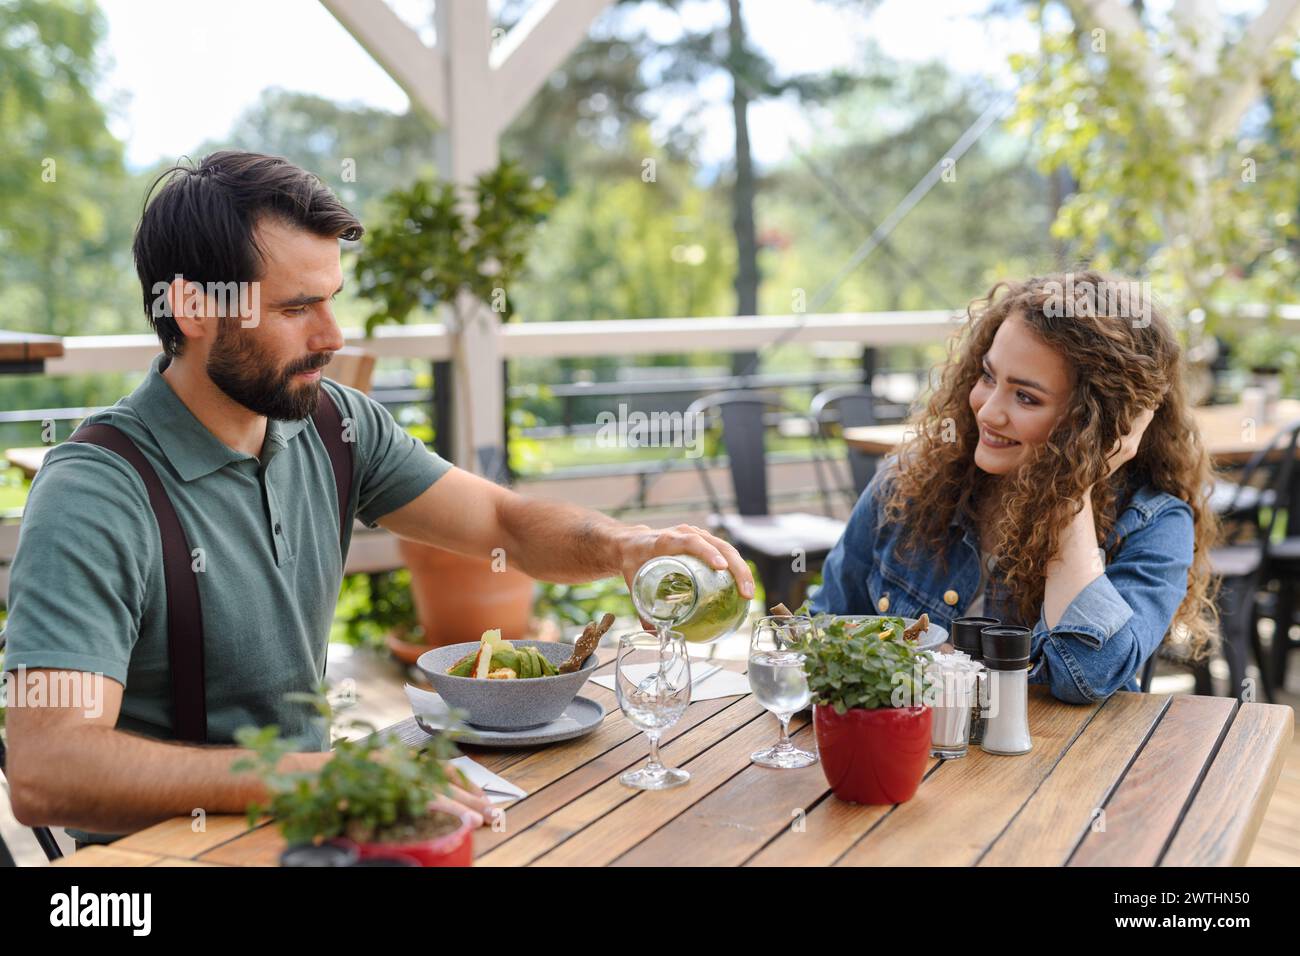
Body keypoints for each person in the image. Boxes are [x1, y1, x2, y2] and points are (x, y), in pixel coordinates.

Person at [2, 151, 754, 845]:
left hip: (324, 828)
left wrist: (625, 546)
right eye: (297, 308)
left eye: (332, 299)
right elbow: (46, 772)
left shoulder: (335, 425)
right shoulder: (94, 493)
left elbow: (502, 523)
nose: (333, 336)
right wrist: (317, 777)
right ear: (195, 311)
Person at [813, 272, 1220, 703]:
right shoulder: (909, 481)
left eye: (1026, 397)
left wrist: (1072, 487)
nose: (988, 412)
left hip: (1059, 768)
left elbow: (1087, 675)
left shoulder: (1153, 523)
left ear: (1096, 421)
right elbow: (826, 625)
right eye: (989, 377)